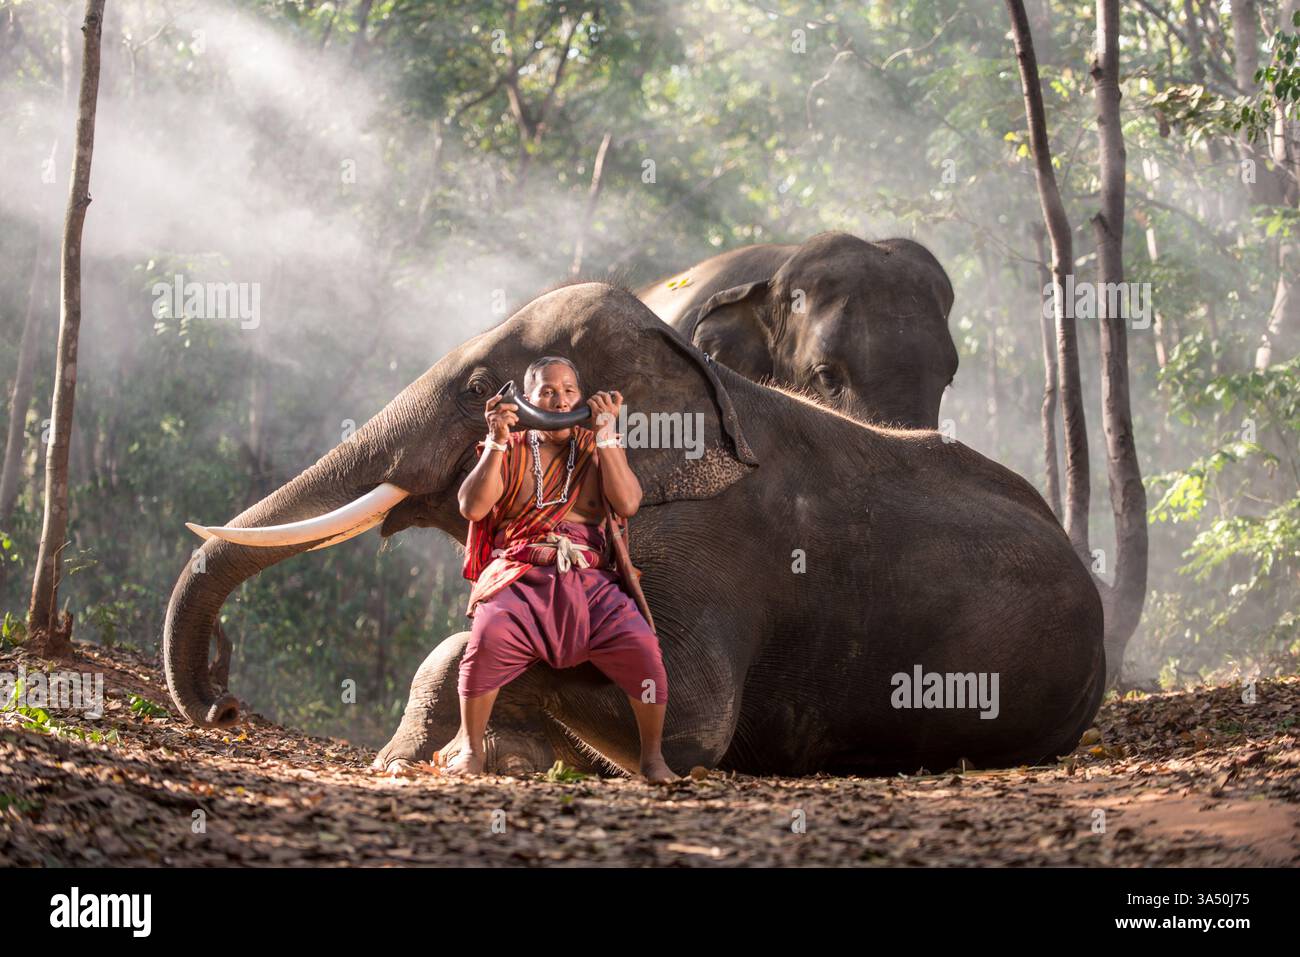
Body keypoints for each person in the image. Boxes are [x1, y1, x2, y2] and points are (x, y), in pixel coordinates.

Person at [441, 356, 678, 783]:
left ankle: (653, 759)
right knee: (488, 637)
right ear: (527, 399)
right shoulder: (508, 448)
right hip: (519, 575)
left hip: (591, 582)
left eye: (569, 390)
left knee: (644, 649)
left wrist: (607, 436)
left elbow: (627, 504)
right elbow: (472, 507)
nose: (559, 398)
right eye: (547, 391)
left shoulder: (595, 446)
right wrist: (496, 438)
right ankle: (471, 749)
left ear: (580, 396)